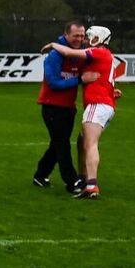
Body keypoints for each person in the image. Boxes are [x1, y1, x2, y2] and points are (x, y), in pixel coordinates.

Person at [44, 26, 122, 199]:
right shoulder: (105, 55)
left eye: (89, 36)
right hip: (104, 105)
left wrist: (53, 45)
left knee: (90, 143)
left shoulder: (99, 52)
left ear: (99, 38)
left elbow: (71, 54)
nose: (86, 40)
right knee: (81, 142)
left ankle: (92, 185)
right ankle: (83, 178)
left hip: (98, 104)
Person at [34, 22, 91, 194]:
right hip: (52, 107)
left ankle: (40, 174)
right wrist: (79, 80)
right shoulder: (55, 56)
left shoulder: (78, 54)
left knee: (57, 144)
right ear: (66, 35)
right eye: (76, 35)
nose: (79, 39)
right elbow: (53, 83)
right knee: (63, 145)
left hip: (68, 107)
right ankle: (71, 181)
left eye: (82, 36)